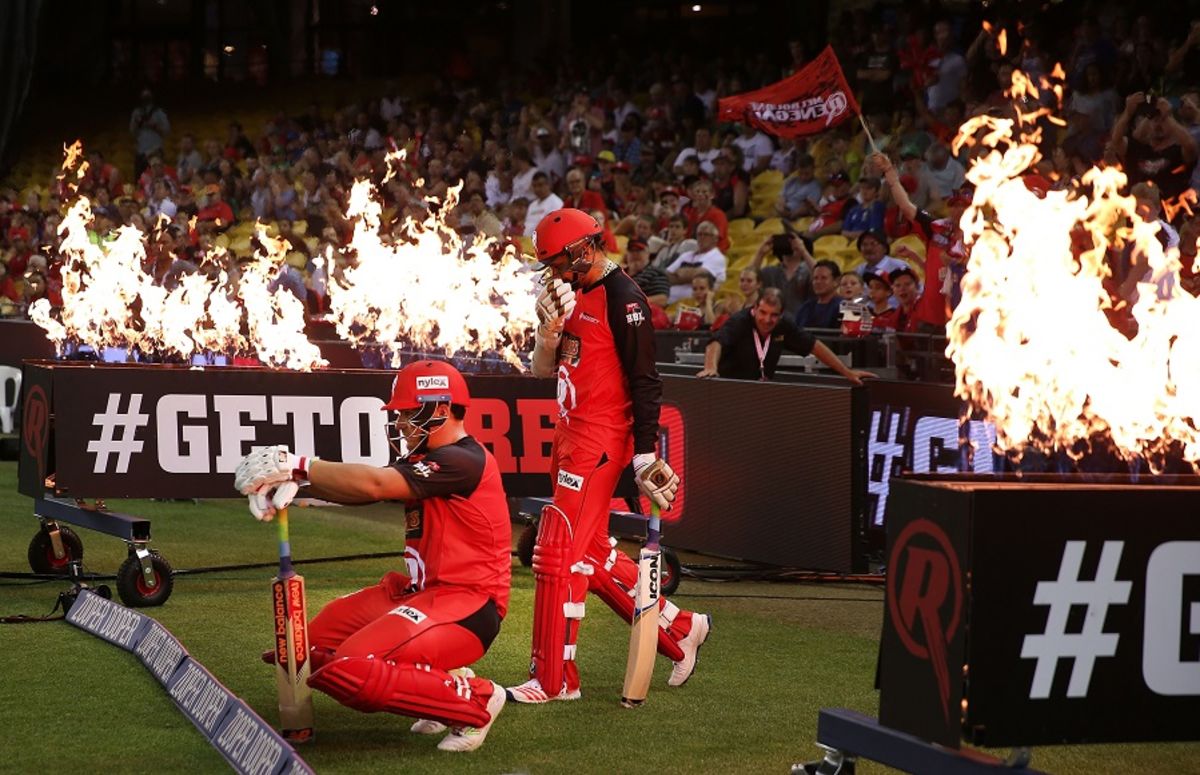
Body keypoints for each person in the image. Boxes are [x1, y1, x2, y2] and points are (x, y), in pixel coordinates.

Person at [232, 360, 510, 752]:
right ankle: (441, 682)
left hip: (465, 604)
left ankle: (478, 698)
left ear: (442, 410)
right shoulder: (427, 460)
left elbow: (376, 484)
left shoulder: (464, 459)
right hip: (421, 595)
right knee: (302, 648)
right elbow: (364, 491)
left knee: (351, 668)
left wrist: (299, 465)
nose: (400, 423)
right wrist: (298, 482)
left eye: (408, 413)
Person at [512, 207, 710, 703]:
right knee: (592, 553)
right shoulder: (569, 291)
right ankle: (680, 629)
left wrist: (644, 453)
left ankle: (556, 679)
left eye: (558, 262)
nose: (554, 272)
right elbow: (541, 371)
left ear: (584, 249)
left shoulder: (625, 298)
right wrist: (548, 333)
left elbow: (647, 381)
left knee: (560, 555)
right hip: (568, 432)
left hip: (599, 440)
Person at [697, 288, 876, 382]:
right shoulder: (739, 321)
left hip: (761, 390)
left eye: (774, 315)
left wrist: (847, 372)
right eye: (763, 312)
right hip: (730, 386)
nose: (767, 320)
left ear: (781, 314)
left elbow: (814, 345)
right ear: (755, 308)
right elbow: (716, 343)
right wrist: (710, 368)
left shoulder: (784, 325)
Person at [129, 89, 171, 180]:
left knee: (158, 178)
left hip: (156, 150)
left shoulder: (159, 112)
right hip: (141, 151)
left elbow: (166, 131)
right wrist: (137, 123)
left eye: (147, 95)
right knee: (140, 179)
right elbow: (132, 131)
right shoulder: (136, 112)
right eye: (144, 95)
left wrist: (154, 125)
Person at [793, 259, 843, 329]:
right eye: (815, 278)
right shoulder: (806, 307)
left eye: (823, 278)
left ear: (836, 281)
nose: (818, 282)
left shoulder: (843, 307)